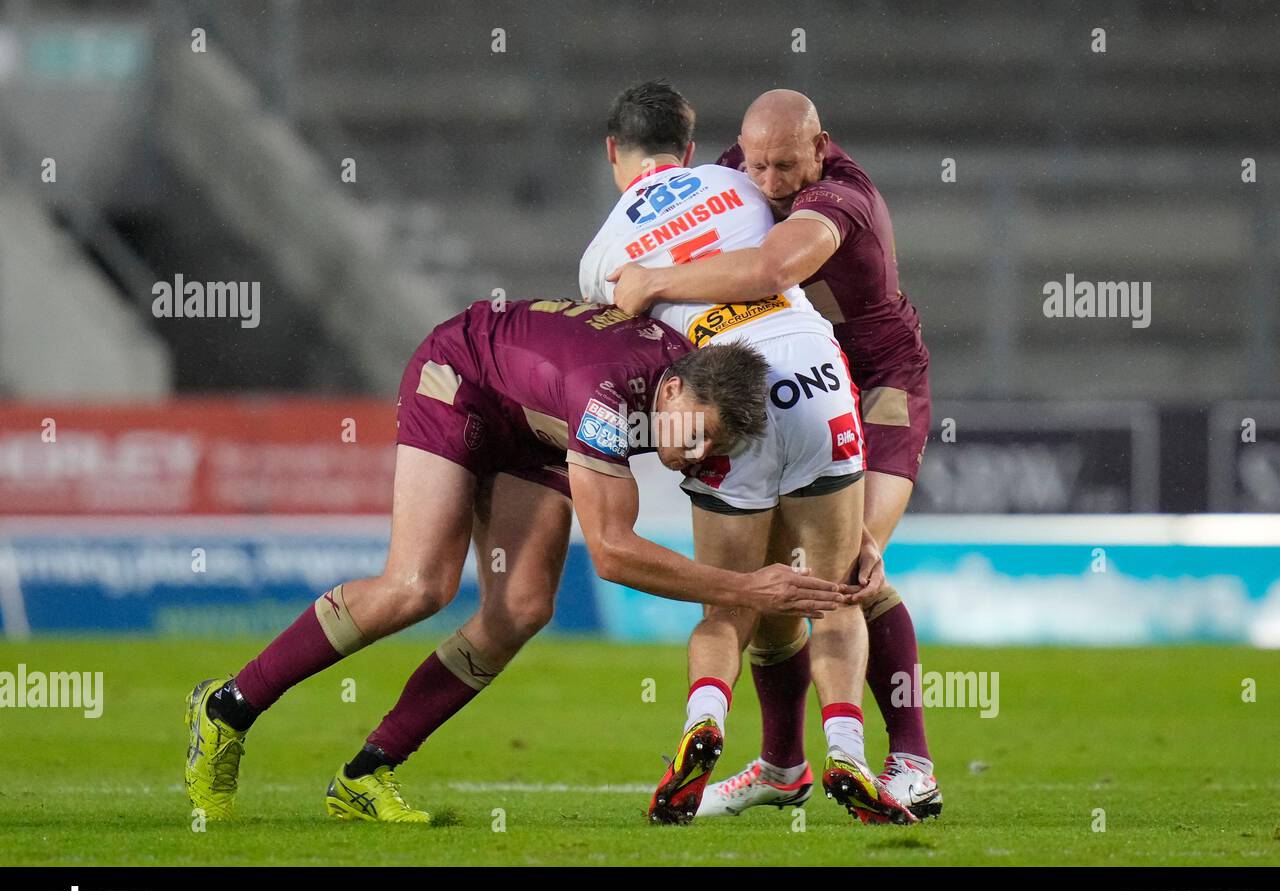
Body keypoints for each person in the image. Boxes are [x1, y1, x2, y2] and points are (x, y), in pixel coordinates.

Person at [184, 296, 853, 823]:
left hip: (533, 426)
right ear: (673, 393)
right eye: (695, 438)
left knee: (523, 607)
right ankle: (229, 706)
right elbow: (615, 555)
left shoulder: (688, 386)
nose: (693, 458)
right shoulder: (608, 396)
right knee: (419, 586)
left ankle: (367, 773)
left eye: (712, 449)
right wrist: (748, 588)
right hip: (462, 379)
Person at [583, 81, 915, 825]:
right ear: (700, 152)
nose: (766, 179)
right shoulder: (738, 185)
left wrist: (655, 438)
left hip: (726, 399)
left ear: (613, 153)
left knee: (731, 602)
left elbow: (630, 356)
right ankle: (849, 755)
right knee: (833, 593)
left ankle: (705, 721)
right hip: (820, 374)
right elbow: (770, 267)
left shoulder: (602, 253)